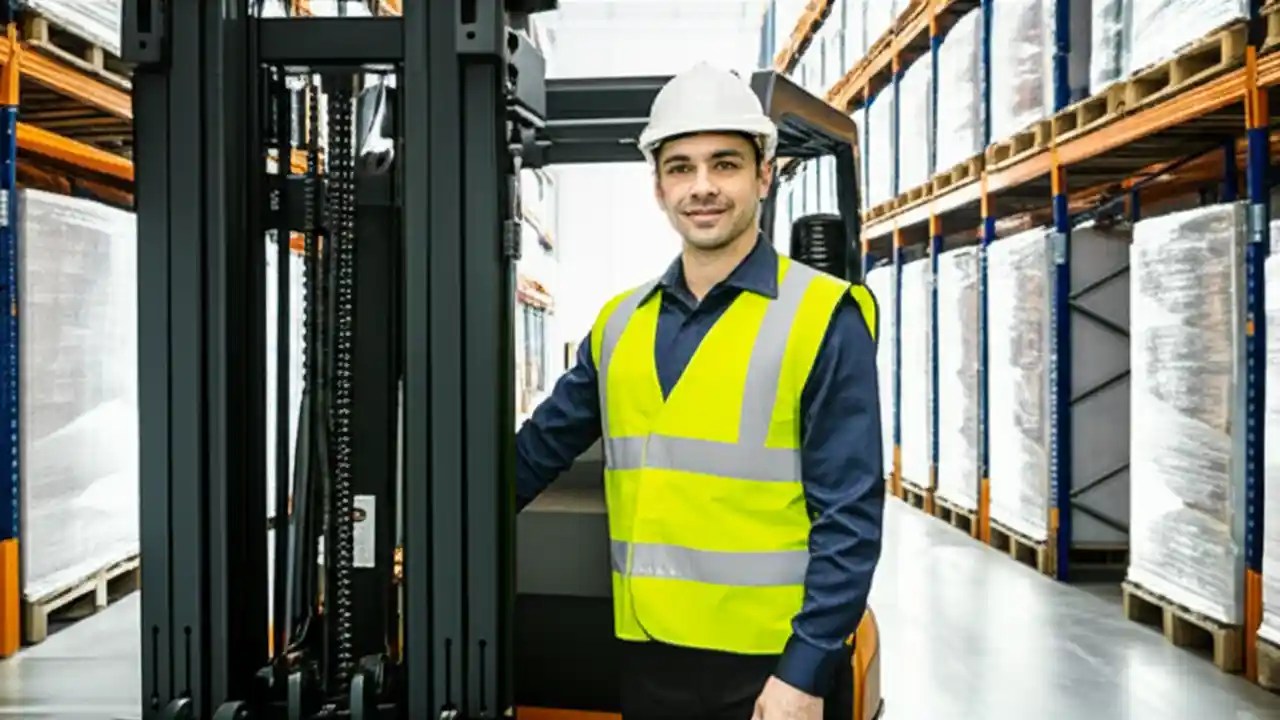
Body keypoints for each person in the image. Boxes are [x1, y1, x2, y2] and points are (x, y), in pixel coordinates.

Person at [514, 62, 885, 720]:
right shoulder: (620, 324)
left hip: (770, 667)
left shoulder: (824, 317)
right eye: (681, 167)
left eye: (725, 164)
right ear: (658, 187)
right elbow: (535, 454)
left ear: (763, 175)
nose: (703, 187)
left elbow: (850, 517)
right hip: (649, 651)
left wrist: (804, 670)